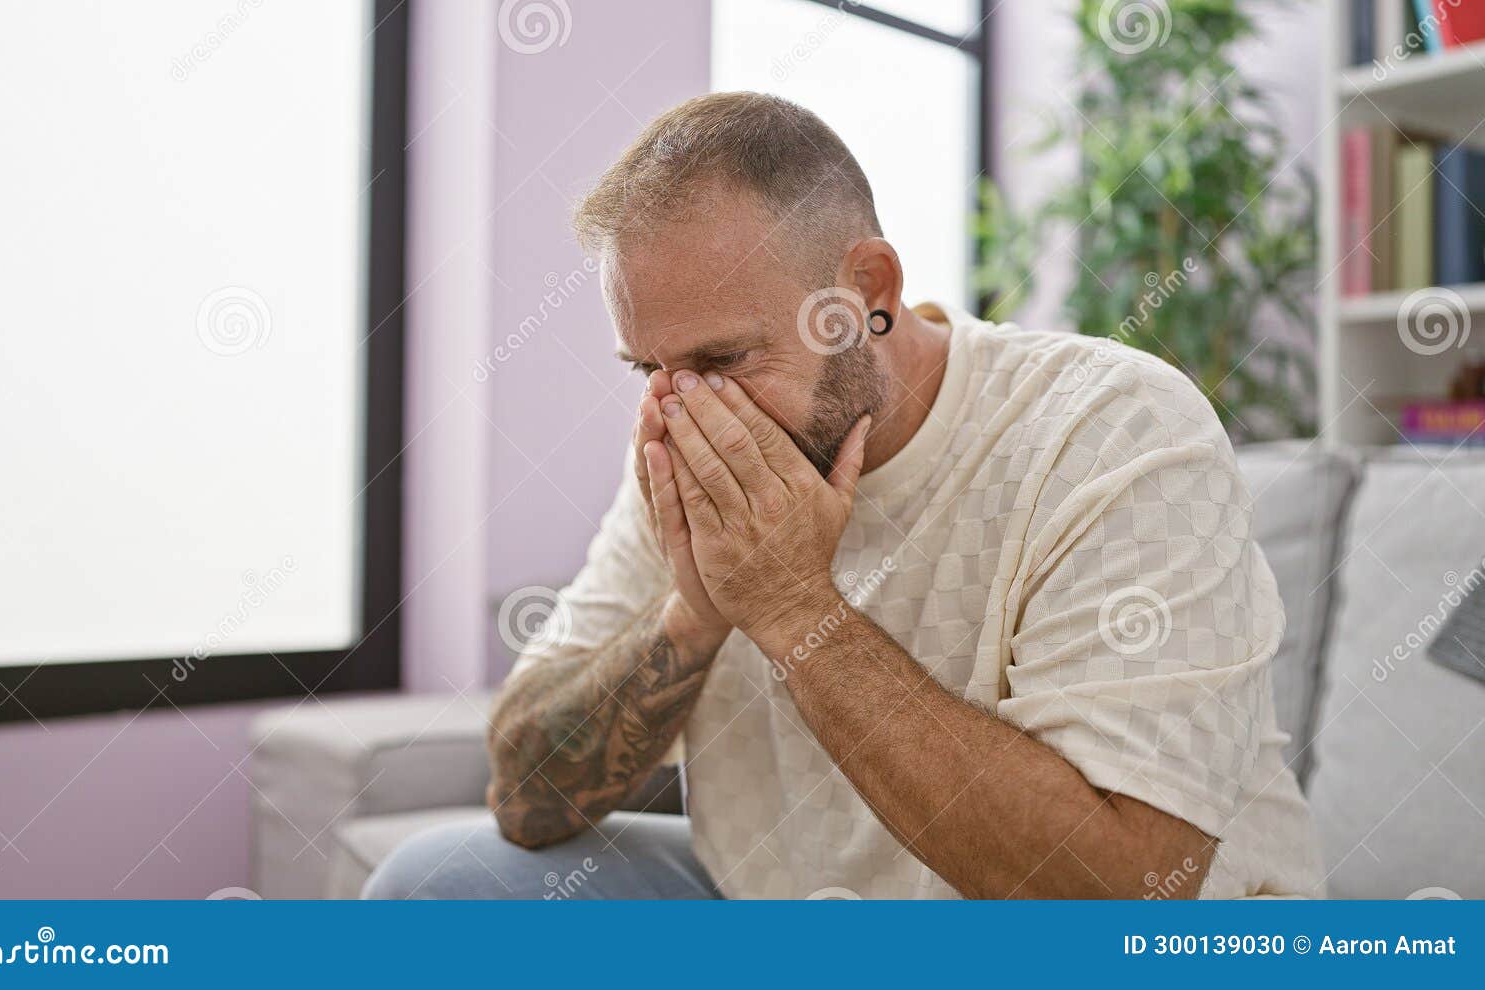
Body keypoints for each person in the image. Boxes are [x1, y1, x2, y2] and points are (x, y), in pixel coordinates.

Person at [364, 92, 1322, 900]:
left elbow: (1123, 893)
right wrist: (696, 614)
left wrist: (791, 609)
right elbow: (525, 794)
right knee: (437, 884)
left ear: (867, 288)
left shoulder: (1112, 428)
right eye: (648, 369)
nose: (687, 410)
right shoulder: (691, 455)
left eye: (725, 359)